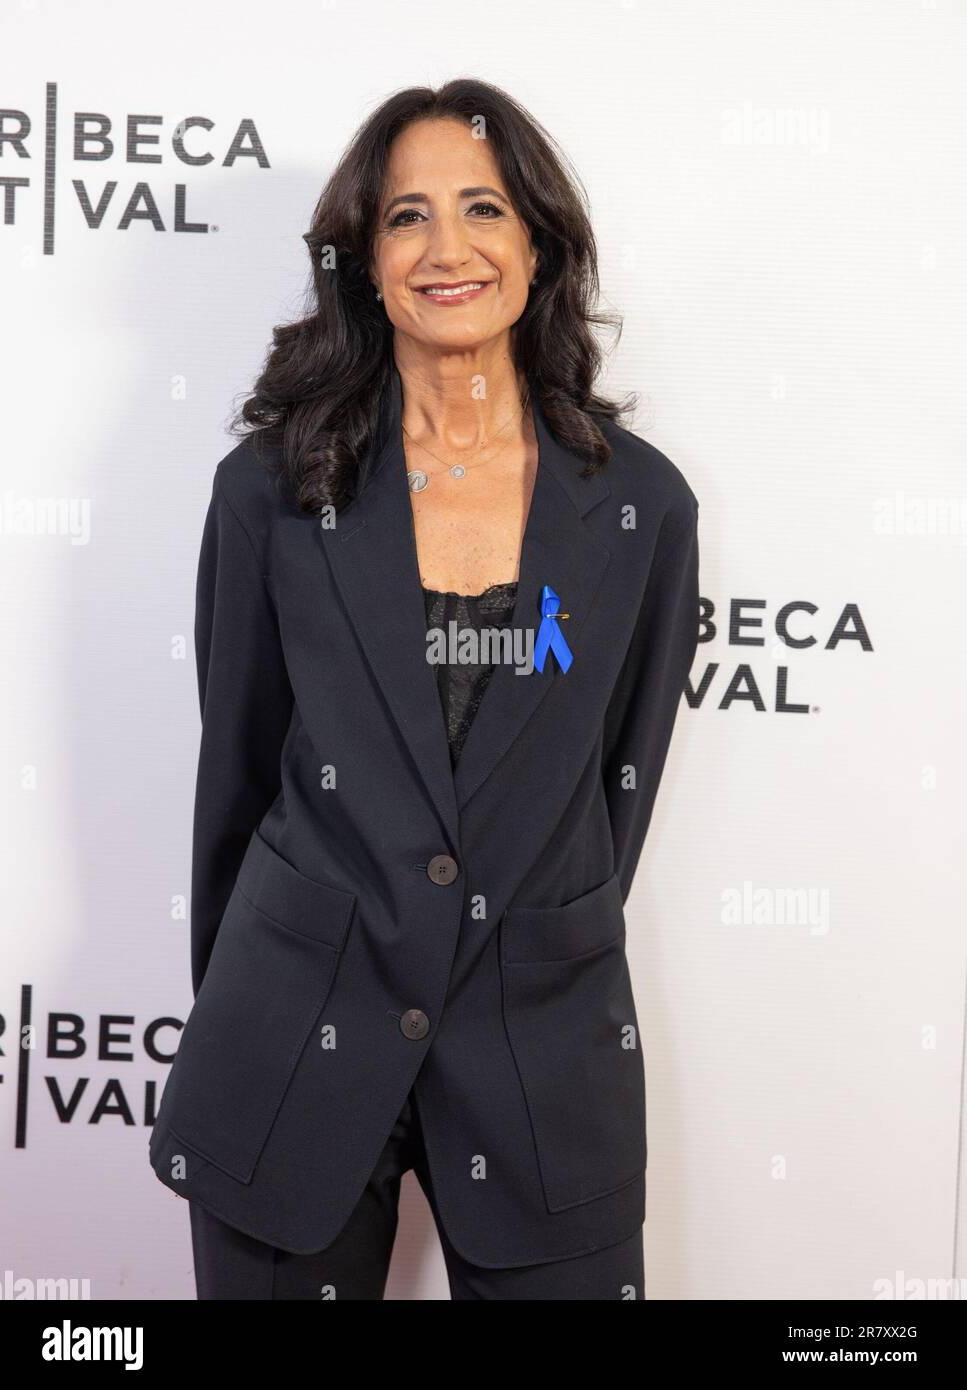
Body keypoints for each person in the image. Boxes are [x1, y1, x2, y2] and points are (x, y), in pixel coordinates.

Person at [148, 77, 700, 1301]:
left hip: (540, 1041)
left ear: (540, 242)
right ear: (362, 255)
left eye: (483, 208)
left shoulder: (640, 509)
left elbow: (615, 793)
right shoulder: (270, 494)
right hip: (297, 1028)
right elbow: (235, 782)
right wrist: (255, 1001)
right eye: (406, 216)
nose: (447, 248)